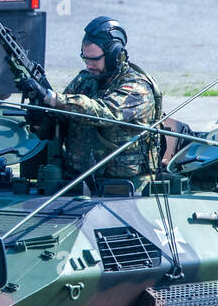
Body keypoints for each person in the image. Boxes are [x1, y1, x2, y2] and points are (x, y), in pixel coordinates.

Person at [20, 17, 162, 183]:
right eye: (85, 59)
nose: (89, 65)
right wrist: (40, 117)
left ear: (115, 56)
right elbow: (61, 119)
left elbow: (105, 112)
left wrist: (51, 97)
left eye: (94, 60)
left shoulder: (138, 88)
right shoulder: (84, 81)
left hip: (124, 186)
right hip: (76, 180)